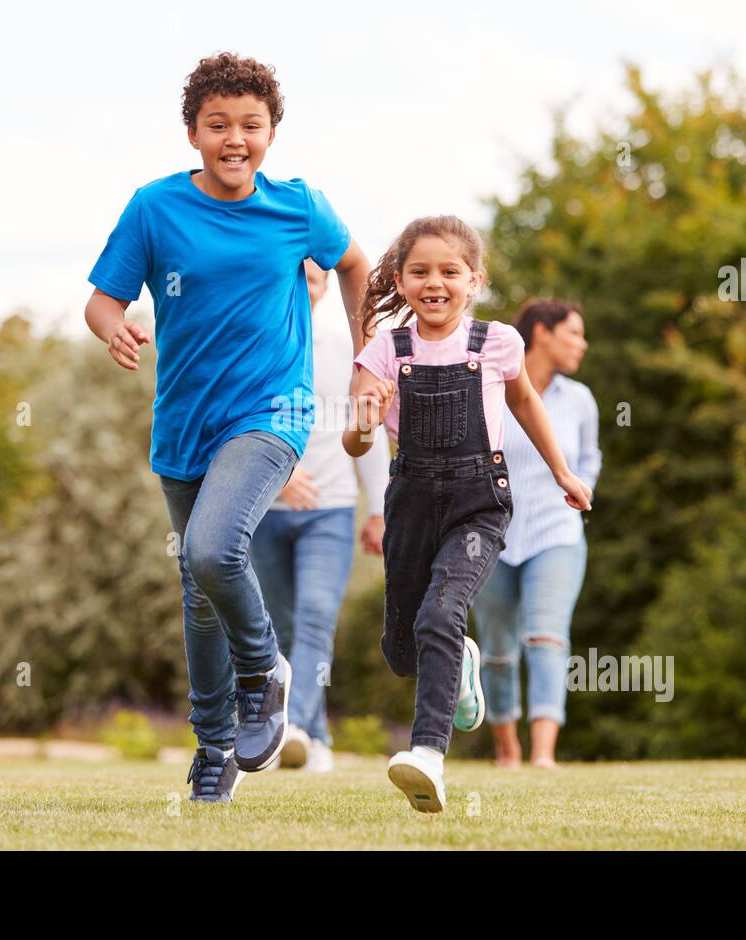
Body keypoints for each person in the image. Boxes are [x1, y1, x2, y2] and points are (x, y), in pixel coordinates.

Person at [83, 53, 372, 803]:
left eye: (251, 124)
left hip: (271, 414)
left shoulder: (299, 207)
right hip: (184, 424)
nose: (235, 138)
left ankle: (263, 669)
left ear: (272, 132)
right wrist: (113, 328)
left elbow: (355, 266)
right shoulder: (155, 209)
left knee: (215, 549)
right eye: (218, 125)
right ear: (193, 134)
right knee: (198, 586)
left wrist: (372, 360)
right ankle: (213, 749)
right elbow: (101, 299)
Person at [344, 215, 592, 813]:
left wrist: (562, 472)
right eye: (420, 271)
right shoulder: (384, 348)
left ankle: (428, 754)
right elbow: (354, 441)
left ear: (474, 279)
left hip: (478, 503)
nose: (436, 282)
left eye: (449, 271)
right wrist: (364, 422)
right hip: (410, 500)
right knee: (402, 649)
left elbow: (526, 405)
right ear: (400, 281)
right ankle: (464, 660)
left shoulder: (498, 341)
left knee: (440, 614)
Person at [250, 261, 389, 773]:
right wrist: (279, 477)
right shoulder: (254, 344)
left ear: (327, 286)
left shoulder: (346, 350)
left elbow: (368, 429)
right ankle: (319, 738)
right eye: (296, 275)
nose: (305, 286)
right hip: (262, 508)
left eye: (315, 278)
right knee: (280, 627)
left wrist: (378, 508)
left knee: (313, 619)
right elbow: (233, 423)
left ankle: (296, 729)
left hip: (330, 510)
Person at [471, 299, 601, 769]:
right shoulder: (489, 389)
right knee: (499, 650)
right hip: (492, 535)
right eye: (574, 334)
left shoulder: (580, 399)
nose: (582, 344)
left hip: (556, 532)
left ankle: (544, 755)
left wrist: (583, 488)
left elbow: (590, 459)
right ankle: (508, 749)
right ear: (542, 333)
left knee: (547, 636)